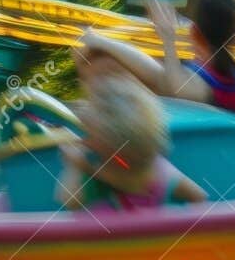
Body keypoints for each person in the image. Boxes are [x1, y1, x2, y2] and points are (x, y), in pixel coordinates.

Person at [79, 0, 235, 116]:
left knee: (102, 63)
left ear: (194, 33)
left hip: (204, 150)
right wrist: (101, 42)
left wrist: (168, 37)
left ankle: (96, 44)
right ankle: (97, 43)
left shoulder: (202, 86)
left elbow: (168, 84)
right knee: (112, 61)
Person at [57, 73, 205, 212]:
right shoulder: (162, 171)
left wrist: (74, 166)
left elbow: (68, 200)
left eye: (87, 134)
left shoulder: (89, 185)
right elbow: (198, 197)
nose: (84, 140)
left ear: (109, 149)